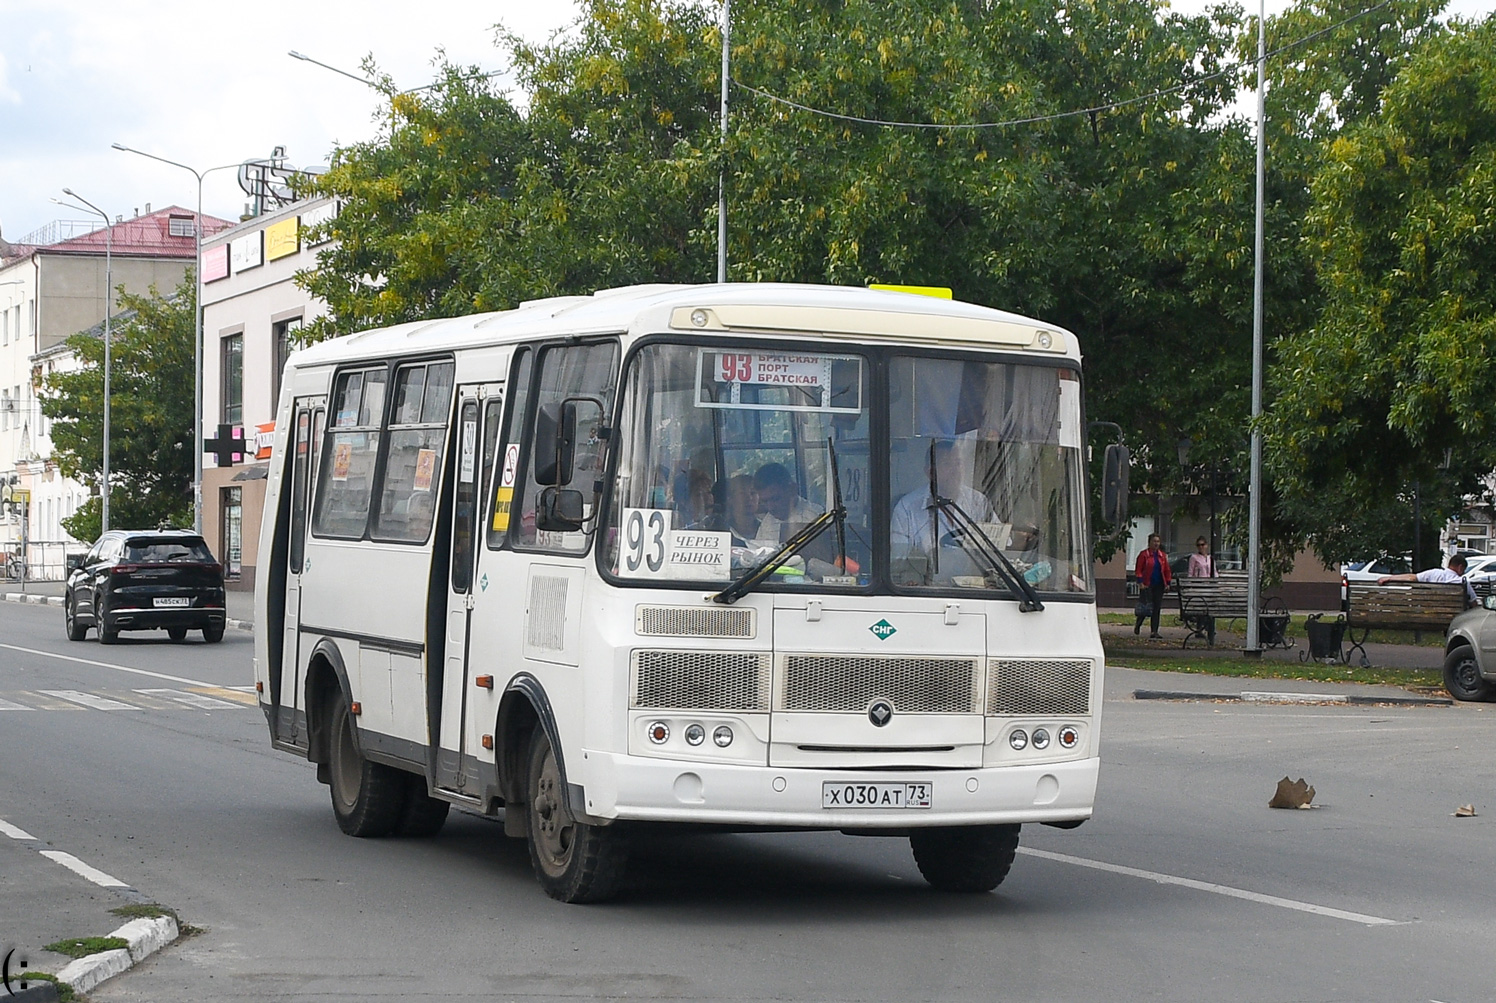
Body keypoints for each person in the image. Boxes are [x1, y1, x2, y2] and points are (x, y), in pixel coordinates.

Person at [890, 440, 994, 558]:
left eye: (958, 463)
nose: (955, 471)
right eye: (947, 464)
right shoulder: (907, 509)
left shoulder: (979, 502)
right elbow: (898, 560)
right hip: (925, 575)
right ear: (930, 472)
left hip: (974, 575)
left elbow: (1001, 543)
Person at [753, 462, 822, 542]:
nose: (770, 507)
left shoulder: (815, 517)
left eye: (775, 499)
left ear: (792, 489)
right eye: (765, 501)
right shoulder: (767, 522)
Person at [1378, 554, 1477, 606]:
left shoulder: (1433, 573)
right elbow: (1474, 603)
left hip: (1430, 612)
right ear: (1460, 567)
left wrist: (1390, 578)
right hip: (1452, 616)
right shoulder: (1463, 583)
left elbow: (1411, 578)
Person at [1134, 533, 1172, 638]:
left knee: (1156, 608)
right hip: (1147, 585)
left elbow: (1166, 570)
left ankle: (1154, 631)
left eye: (1158, 541)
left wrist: (1168, 582)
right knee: (1145, 607)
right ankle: (1138, 624)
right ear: (1149, 542)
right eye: (1154, 541)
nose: (1156, 543)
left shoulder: (1162, 556)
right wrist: (1140, 582)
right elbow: (1138, 570)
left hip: (1159, 584)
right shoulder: (1144, 555)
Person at [1186, 536, 1216, 646]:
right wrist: (1190, 585)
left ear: (1206, 545)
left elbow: (1214, 572)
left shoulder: (1210, 559)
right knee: (1201, 606)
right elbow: (1191, 572)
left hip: (1209, 586)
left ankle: (1208, 629)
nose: (1201, 547)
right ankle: (1201, 627)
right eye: (1199, 545)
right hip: (1199, 586)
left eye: (1203, 545)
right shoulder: (1194, 558)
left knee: (1209, 608)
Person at [722, 474, 762, 545]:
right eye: (742, 494)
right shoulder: (722, 531)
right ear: (730, 499)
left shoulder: (768, 528)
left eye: (753, 493)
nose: (749, 498)